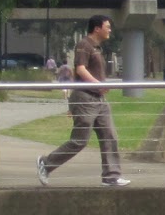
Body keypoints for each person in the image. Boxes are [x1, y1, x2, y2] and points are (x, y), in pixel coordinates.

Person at [37, 15, 130, 187]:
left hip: (99, 99)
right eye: (107, 27)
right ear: (97, 28)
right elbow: (80, 69)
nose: (110, 30)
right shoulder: (84, 45)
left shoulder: (97, 48)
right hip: (85, 98)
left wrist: (100, 87)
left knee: (109, 136)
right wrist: (98, 84)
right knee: (80, 140)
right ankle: (46, 163)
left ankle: (111, 176)